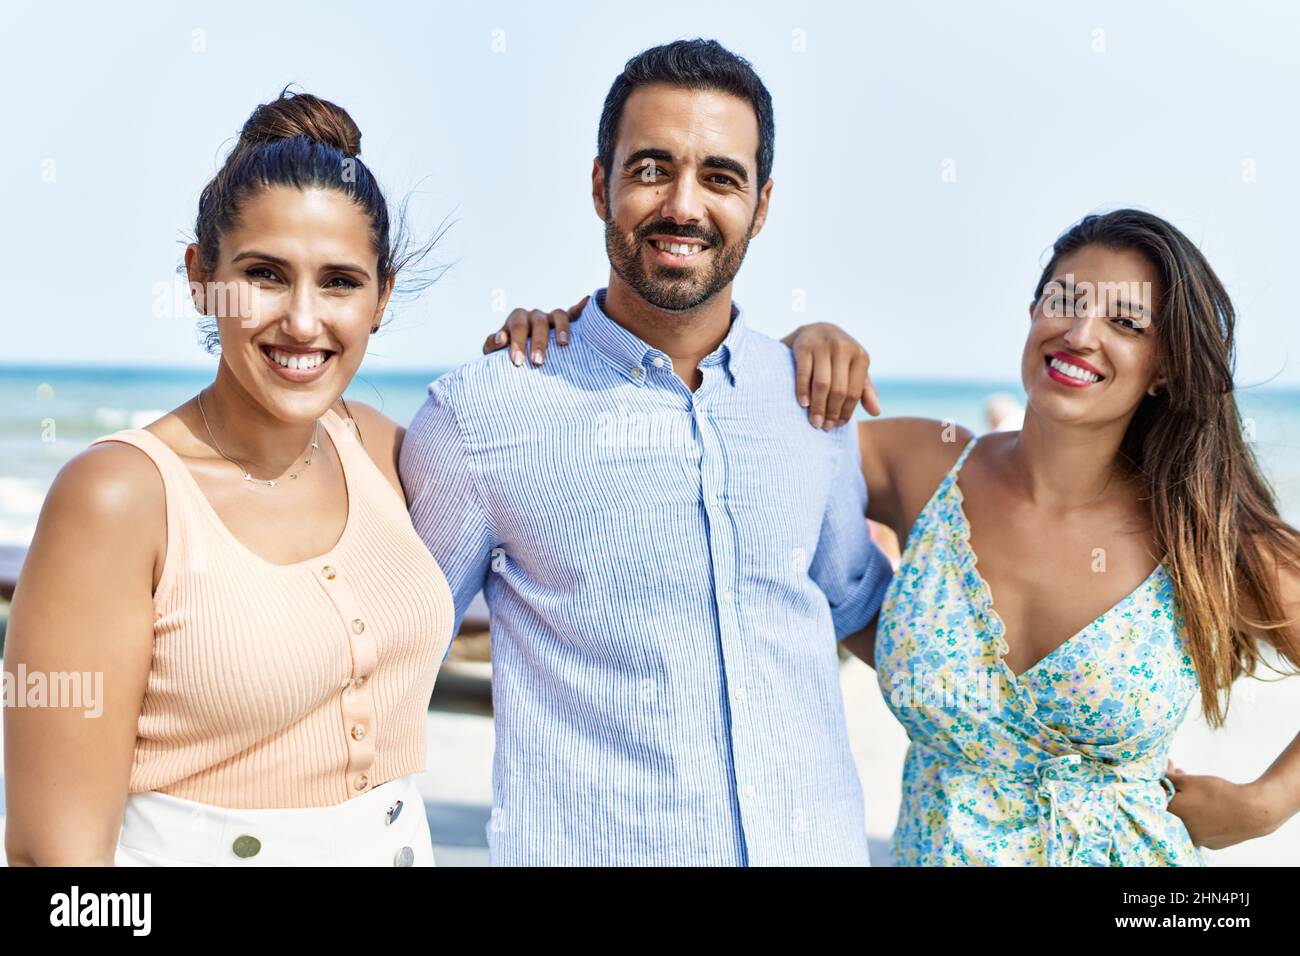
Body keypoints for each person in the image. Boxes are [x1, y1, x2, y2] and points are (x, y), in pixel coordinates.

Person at [399, 39, 894, 866]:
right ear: (602, 185)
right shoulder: (483, 413)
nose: (683, 205)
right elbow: (389, 657)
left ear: (761, 205)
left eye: (721, 178)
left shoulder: (814, 405)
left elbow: (862, 614)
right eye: (652, 168)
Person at [4, 89, 454, 866]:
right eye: (265, 275)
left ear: (382, 296)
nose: (304, 322)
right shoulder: (118, 499)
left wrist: (567, 332)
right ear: (199, 275)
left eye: (340, 282)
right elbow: (54, 862)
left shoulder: (384, 453)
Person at [855, 209, 1299, 865]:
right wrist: (810, 349)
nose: (1081, 333)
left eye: (1125, 323)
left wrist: (1264, 805)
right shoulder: (918, 466)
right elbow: (753, 470)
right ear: (1035, 311)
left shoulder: (1200, 527)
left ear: (1165, 369)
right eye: (1065, 301)